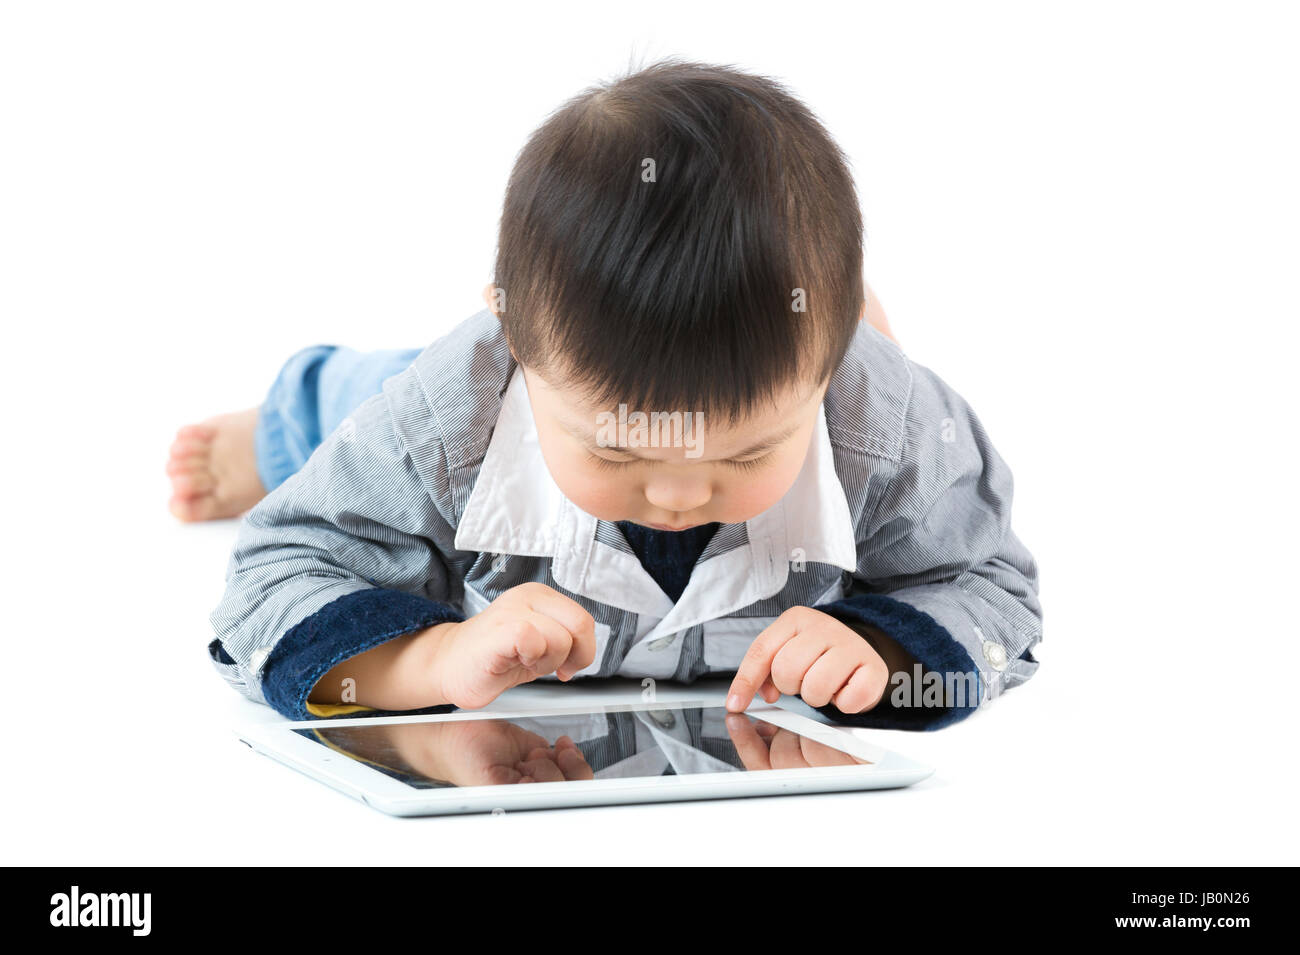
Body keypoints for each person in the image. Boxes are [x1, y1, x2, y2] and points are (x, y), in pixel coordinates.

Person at [179, 60, 1042, 733]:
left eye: (744, 453)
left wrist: (887, 650)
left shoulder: (887, 427)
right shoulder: (449, 418)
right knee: (376, 400)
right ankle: (294, 413)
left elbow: (991, 588)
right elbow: (265, 590)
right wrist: (433, 659)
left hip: (830, 361)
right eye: (617, 450)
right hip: (446, 400)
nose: (676, 495)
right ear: (518, 344)